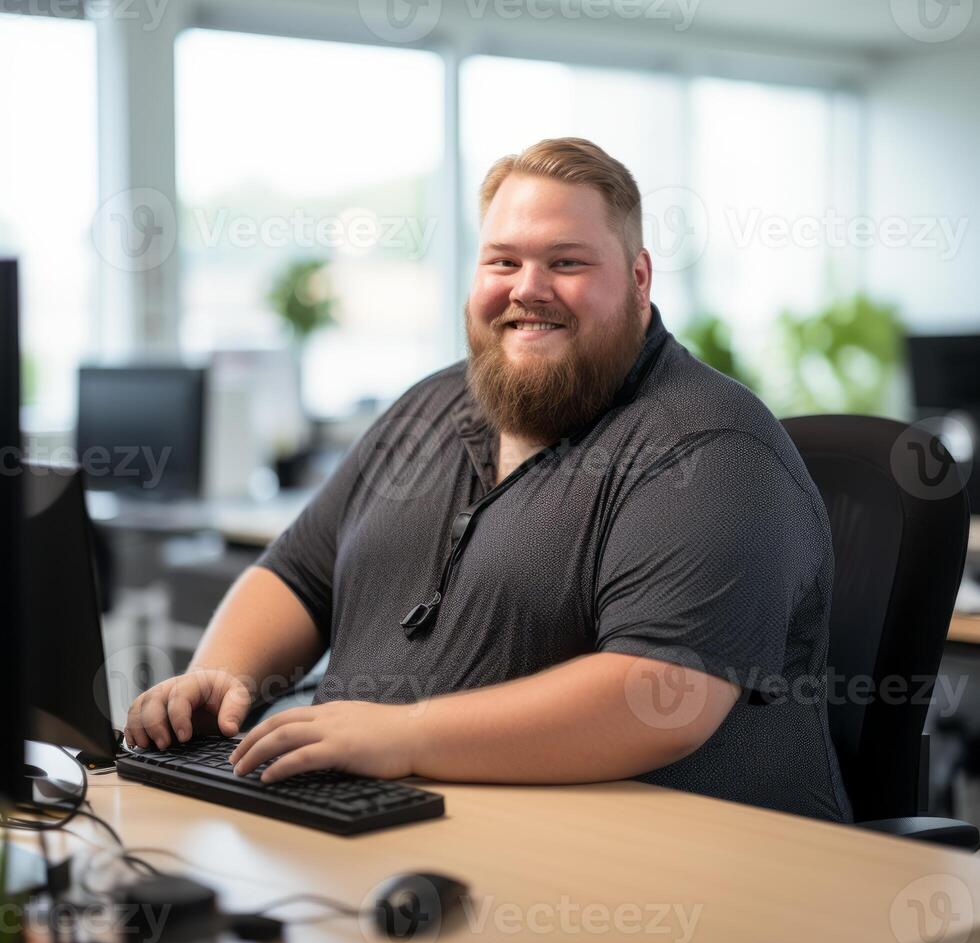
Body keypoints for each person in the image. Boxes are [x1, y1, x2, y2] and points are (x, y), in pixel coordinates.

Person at [126, 137, 853, 823]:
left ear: (638, 278)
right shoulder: (430, 406)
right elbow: (298, 573)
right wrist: (224, 678)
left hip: (653, 877)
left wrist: (403, 735)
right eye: (503, 262)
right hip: (386, 820)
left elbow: (659, 695)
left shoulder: (708, 447)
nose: (528, 290)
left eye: (567, 263)